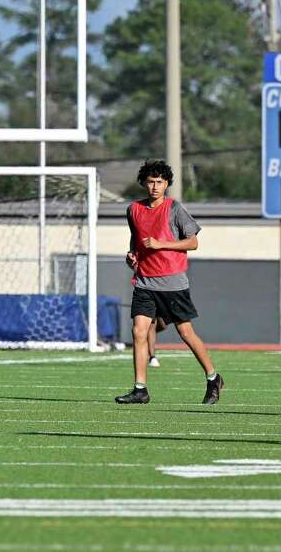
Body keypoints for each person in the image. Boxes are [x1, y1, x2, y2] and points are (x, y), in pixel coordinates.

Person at [114, 160, 222, 405]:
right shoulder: (133, 210)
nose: (155, 186)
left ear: (167, 184)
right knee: (138, 331)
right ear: (143, 183)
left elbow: (193, 242)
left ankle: (213, 377)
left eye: (160, 182)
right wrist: (132, 256)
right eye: (151, 182)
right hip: (144, 282)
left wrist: (161, 244)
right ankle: (140, 389)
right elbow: (136, 242)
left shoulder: (174, 208)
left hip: (172, 282)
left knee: (185, 332)